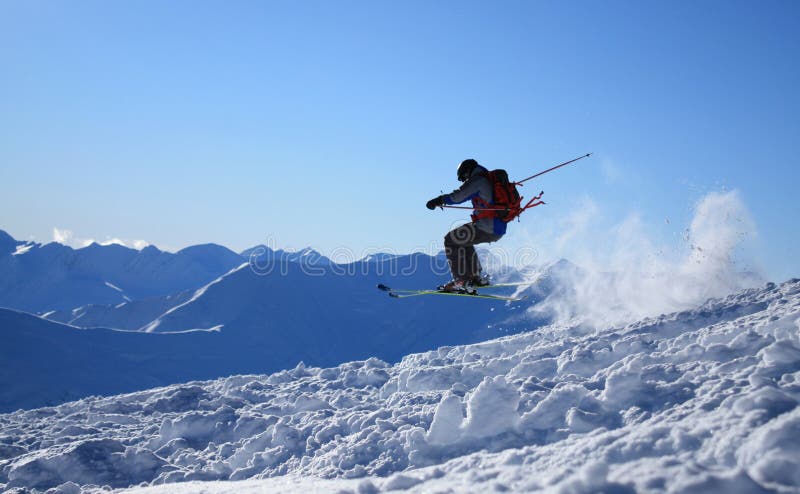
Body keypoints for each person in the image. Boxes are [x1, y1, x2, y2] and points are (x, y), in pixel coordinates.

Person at [426, 159, 506, 293]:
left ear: (467, 171)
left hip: (487, 225)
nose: (464, 180)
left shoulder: (478, 180)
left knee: (450, 240)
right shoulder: (488, 179)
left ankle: (461, 281)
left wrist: (439, 200)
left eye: (463, 177)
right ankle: (474, 277)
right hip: (497, 227)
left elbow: (458, 196)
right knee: (463, 239)